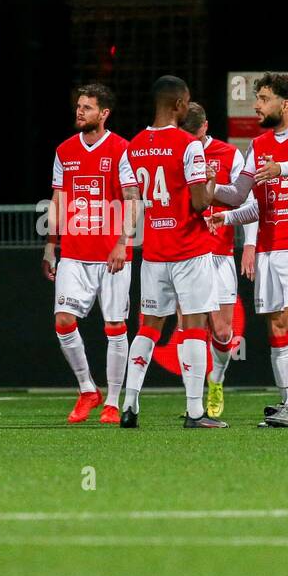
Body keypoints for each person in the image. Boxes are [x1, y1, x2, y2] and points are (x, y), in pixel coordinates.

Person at [210, 73, 288, 427]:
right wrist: (211, 196)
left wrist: (280, 168)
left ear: (285, 104)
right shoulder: (258, 144)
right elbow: (239, 194)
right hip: (269, 248)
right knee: (276, 327)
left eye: (263, 98)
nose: (256, 105)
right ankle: (285, 404)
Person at [121, 76, 222, 428]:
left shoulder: (133, 146)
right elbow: (199, 202)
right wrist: (210, 179)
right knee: (193, 326)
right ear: (179, 104)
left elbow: (132, 201)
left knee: (148, 327)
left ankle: (129, 404)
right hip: (189, 249)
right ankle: (195, 412)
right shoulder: (189, 145)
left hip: (154, 252)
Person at [43, 84, 139, 424]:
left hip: (111, 255)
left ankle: (112, 401)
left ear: (104, 113)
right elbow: (58, 199)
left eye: (87, 107)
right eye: (79, 106)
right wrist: (51, 244)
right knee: (63, 321)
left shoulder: (121, 149)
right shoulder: (65, 150)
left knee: (115, 325)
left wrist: (122, 242)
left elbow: (132, 199)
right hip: (74, 252)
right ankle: (87, 389)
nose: (80, 111)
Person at [178, 101, 241, 418]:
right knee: (188, 327)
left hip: (219, 253)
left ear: (205, 127)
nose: (188, 137)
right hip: (185, 252)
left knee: (222, 331)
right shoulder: (174, 151)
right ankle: (193, 400)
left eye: (193, 131)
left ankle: (216, 381)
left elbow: (245, 198)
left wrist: (250, 245)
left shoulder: (229, 154)